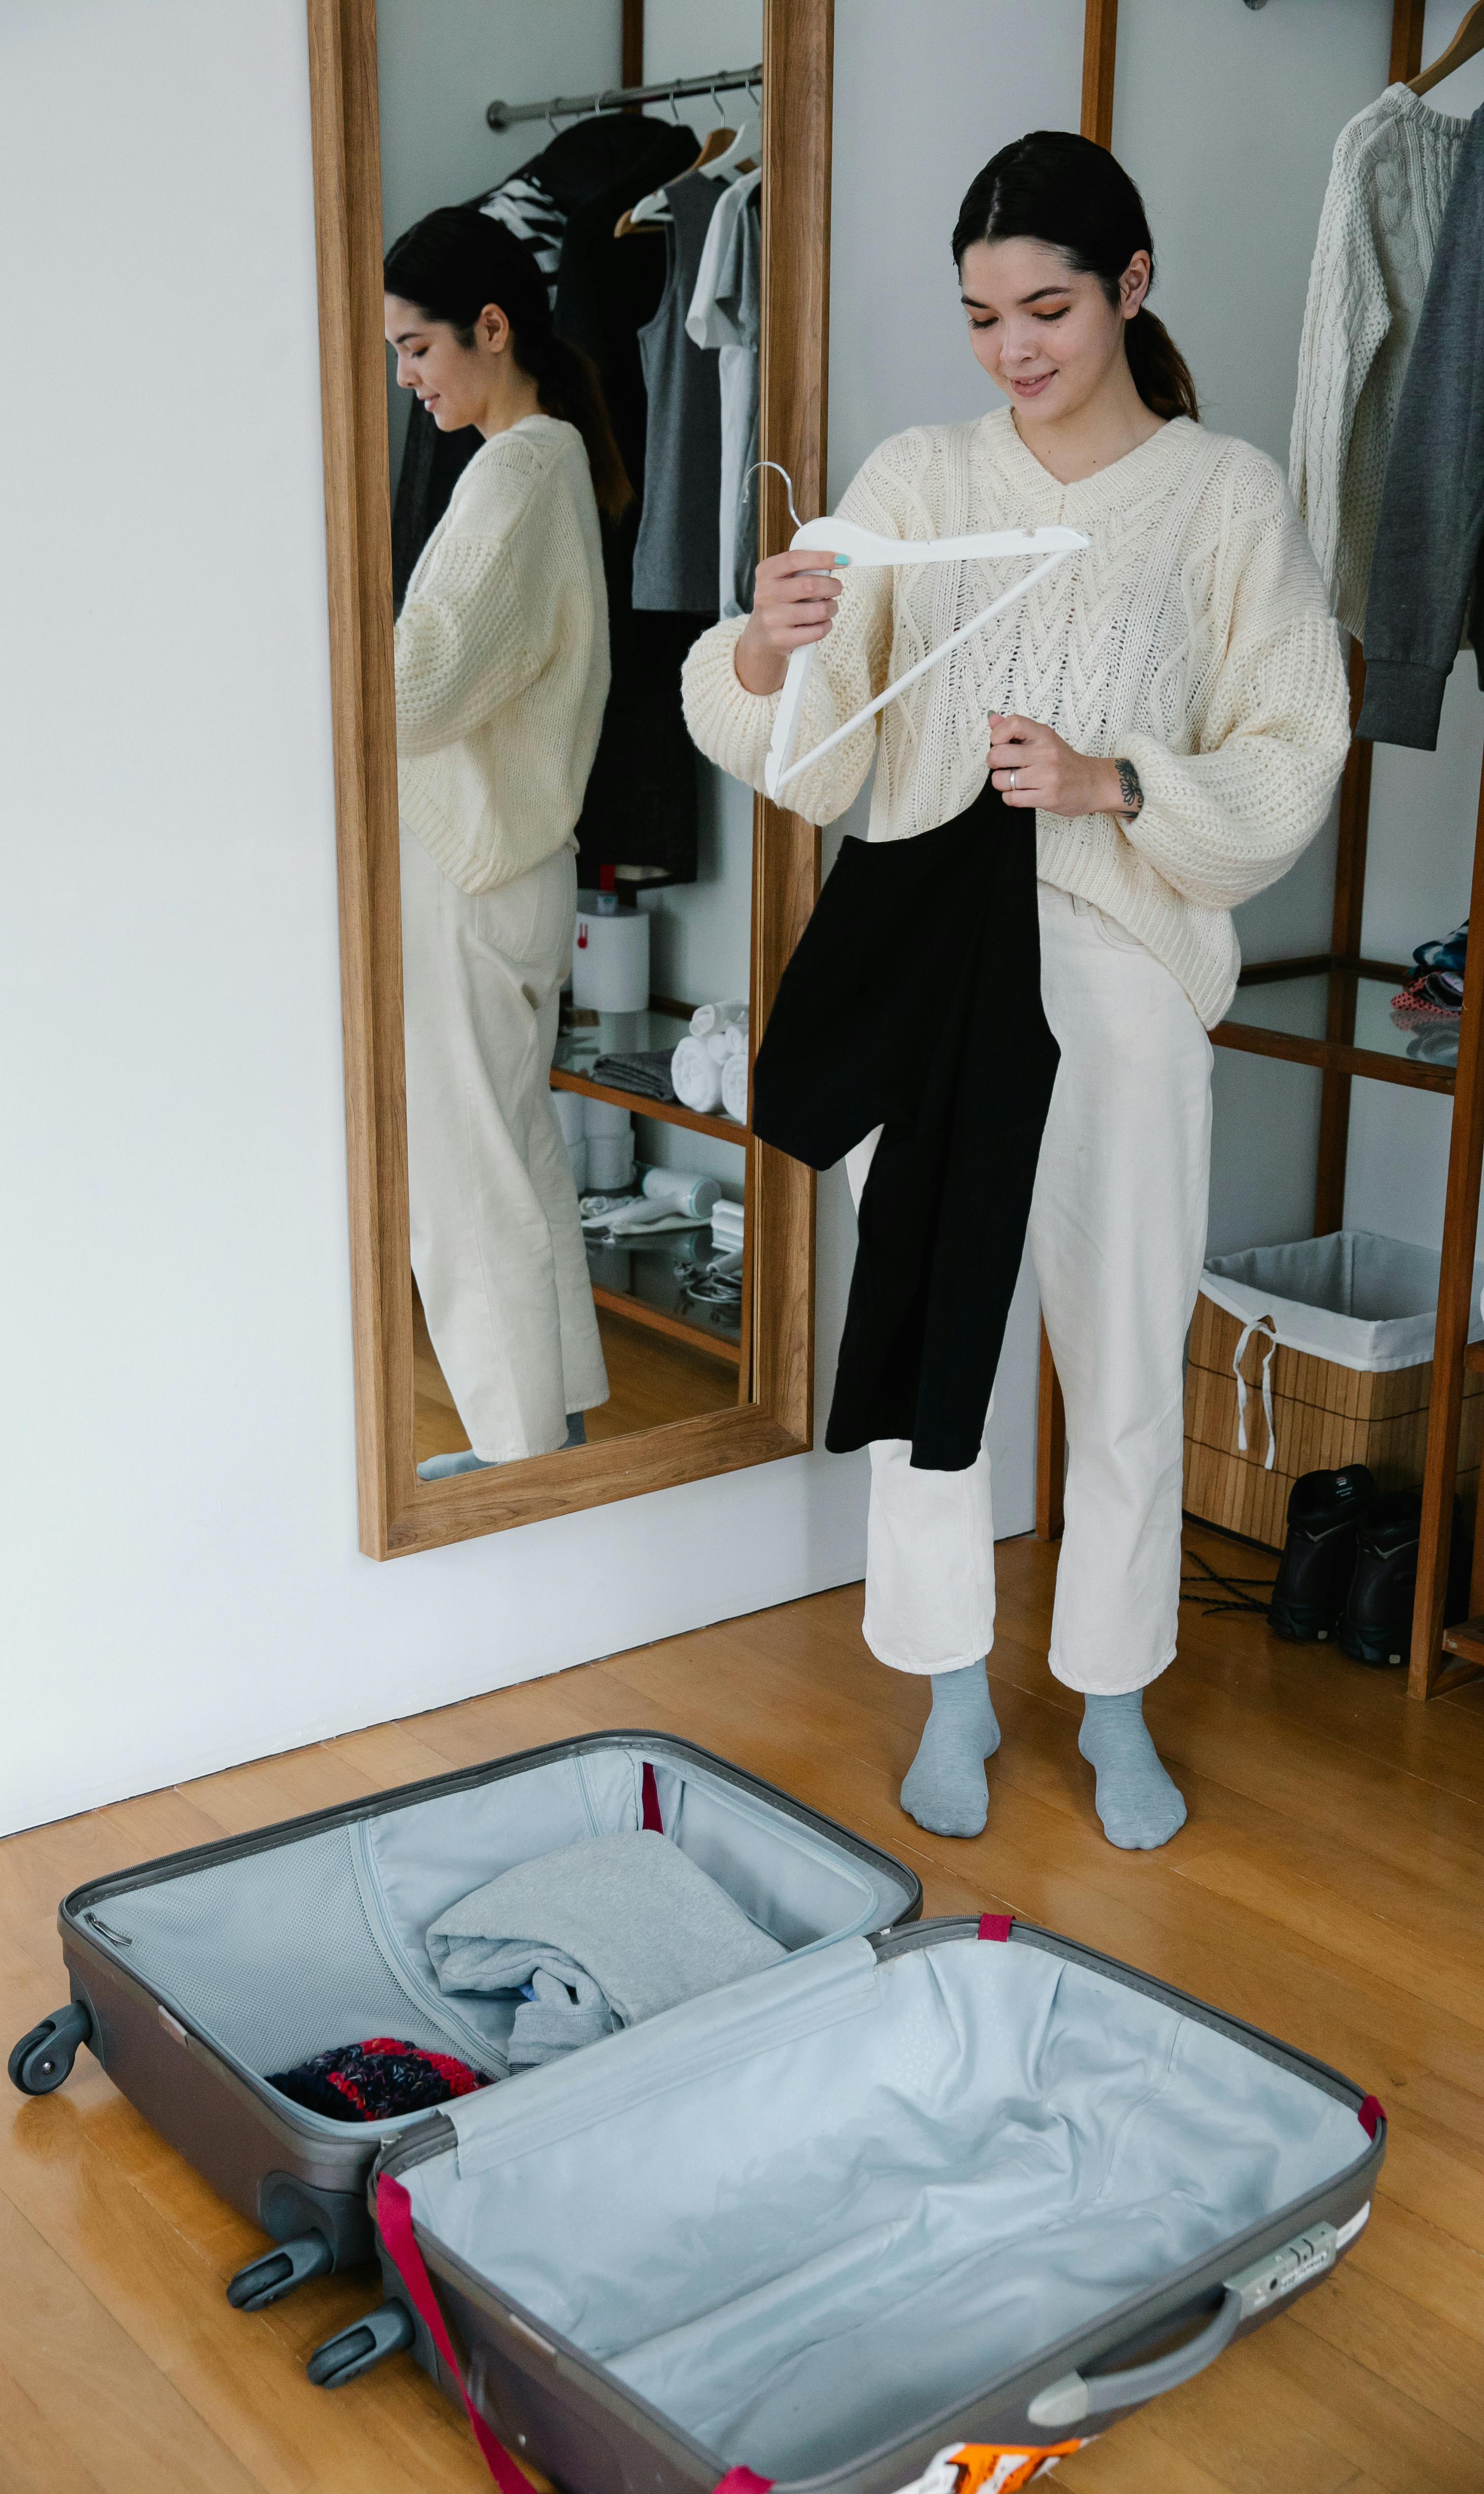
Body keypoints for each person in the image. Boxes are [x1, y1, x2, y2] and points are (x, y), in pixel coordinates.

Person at [682, 132, 1349, 1849]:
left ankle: (1115, 1696)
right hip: (928, 974)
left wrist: (1112, 780)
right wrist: (764, 643)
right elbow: (813, 752)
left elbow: (1296, 749)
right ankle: (952, 1690)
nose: (1013, 349)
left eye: (1046, 308)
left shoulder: (1226, 498)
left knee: (1123, 1359)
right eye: (982, 317)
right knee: (934, 1345)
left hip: (1123, 978)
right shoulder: (918, 480)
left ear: (1132, 285)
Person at [384, 207, 631, 1480]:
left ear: (492, 327)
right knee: (516, 1151)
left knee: (466, 1175)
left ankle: (518, 1450)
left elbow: (418, 692)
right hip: (516, 866)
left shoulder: (515, 471)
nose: (407, 378)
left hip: (473, 871)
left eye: (417, 347)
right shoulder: (544, 461)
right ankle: (555, 1417)